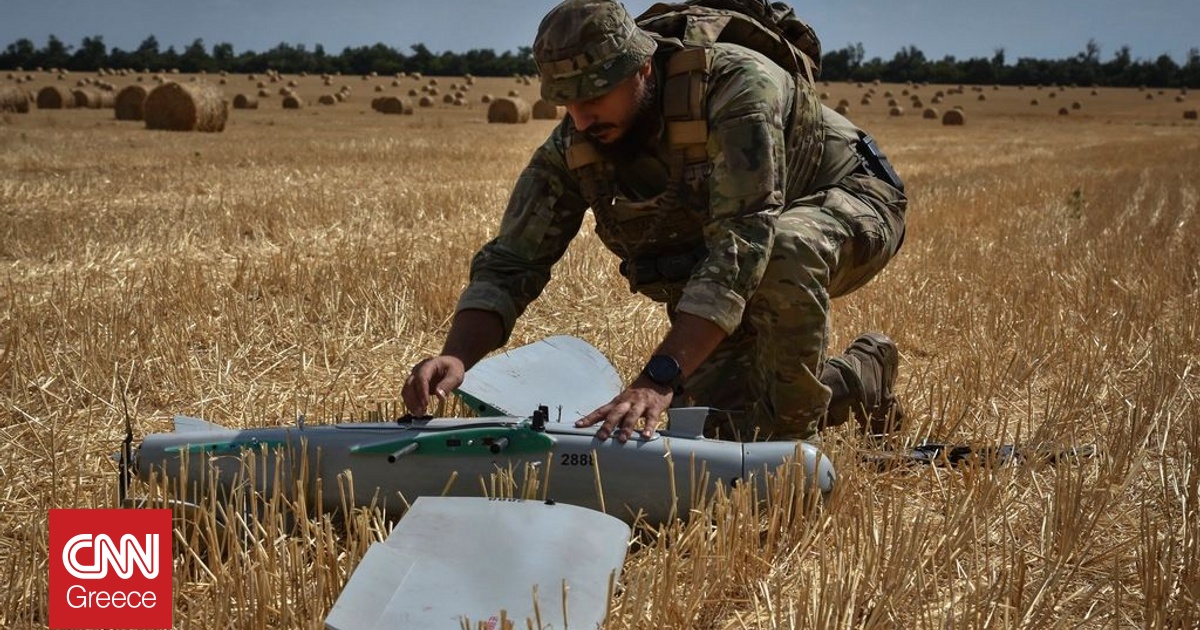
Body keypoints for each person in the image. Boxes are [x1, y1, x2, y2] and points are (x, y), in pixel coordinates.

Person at [402, 0, 907, 444]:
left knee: (782, 251)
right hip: (737, 252)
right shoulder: (576, 144)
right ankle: (860, 379)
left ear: (642, 68)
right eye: (568, 102)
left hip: (850, 201)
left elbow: (745, 240)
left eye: (594, 96)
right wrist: (459, 357)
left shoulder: (736, 87)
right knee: (719, 433)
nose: (580, 118)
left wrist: (657, 378)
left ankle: (794, 447)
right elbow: (513, 260)